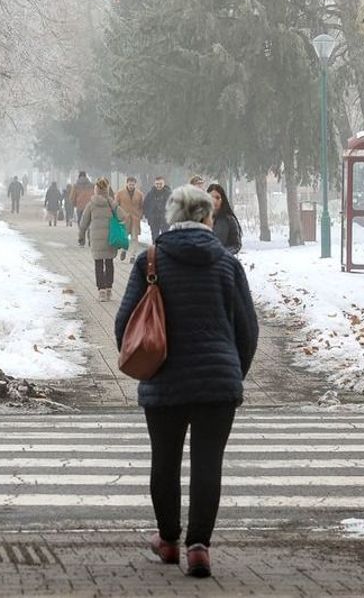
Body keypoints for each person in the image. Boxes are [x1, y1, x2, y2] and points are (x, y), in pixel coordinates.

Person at [113, 185, 258, 579]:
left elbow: (124, 323)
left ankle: (168, 540)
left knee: (165, 461)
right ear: (208, 217)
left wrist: (145, 364)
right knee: (208, 463)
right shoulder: (228, 265)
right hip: (218, 382)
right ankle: (199, 548)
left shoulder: (150, 261)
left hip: (163, 380)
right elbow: (247, 329)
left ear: (173, 217)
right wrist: (232, 372)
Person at [78, 177, 124, 301]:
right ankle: (109, 289)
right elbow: (122, 216)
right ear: (107, 190)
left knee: (98, 264)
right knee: (109, 263)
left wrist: (81, 236)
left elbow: (83, 222)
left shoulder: (91, 204)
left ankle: (101, 291)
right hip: (110, 238)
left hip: (96, 239)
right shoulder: (111, 203)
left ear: (96, 190)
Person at [114, 176, 146, 261]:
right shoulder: (120, 193)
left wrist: (140, 215)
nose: (131, 186)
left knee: (134, 238)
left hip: (135, 219)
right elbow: (116, 205)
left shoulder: (140, 194)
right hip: (125, 218)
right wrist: (118, 216)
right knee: (124, 237)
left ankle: (133, 255)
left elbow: (143, 206)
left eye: (133, 184)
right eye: (130, 184)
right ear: (127, 183)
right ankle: (124, 250)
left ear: (135, 184)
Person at [206, 183, 243, 255]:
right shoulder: (200, 219)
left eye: (217, 198)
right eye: (211, 197)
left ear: (222, 200)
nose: (214, 201)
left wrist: (223, 253)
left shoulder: (229, 220)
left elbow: (236, 245)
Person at [144, 176, 171, 241]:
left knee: (165, 237)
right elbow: (145, 205)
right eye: (157, 184)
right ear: (154, 184)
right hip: (153, 219)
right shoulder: (150, 194)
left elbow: (173, 206)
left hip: (165, 219)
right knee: (155, 237)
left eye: (160, 184)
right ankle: (155, 249)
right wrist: (148, 216)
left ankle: (164, 250)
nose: (158, 185)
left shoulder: (169, 194)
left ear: (164, 184)